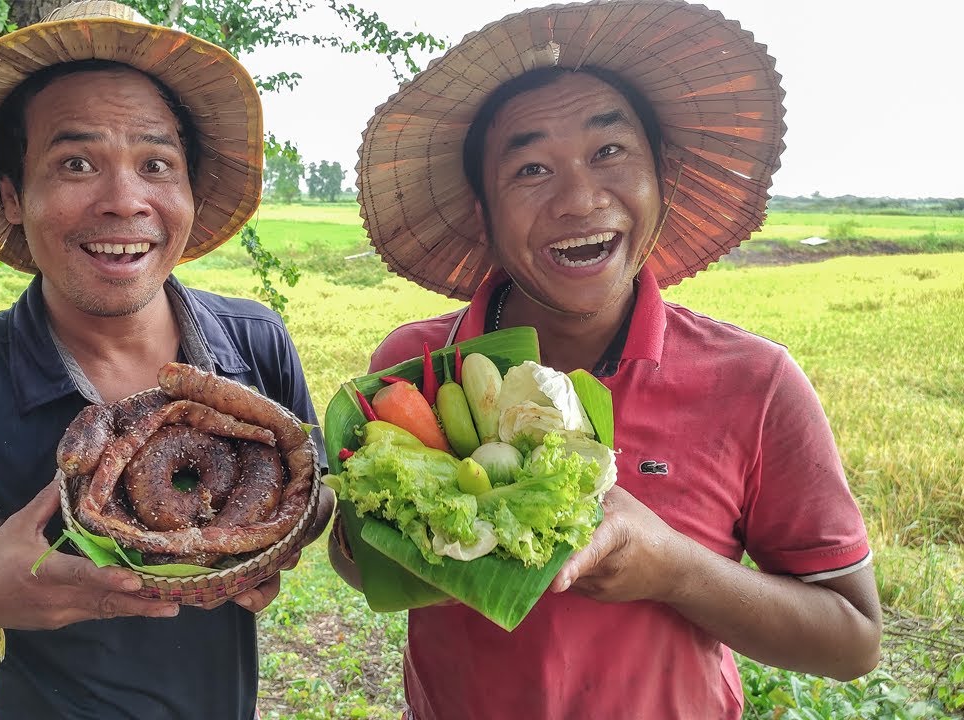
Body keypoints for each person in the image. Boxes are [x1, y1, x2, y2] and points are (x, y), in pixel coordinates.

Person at [331, 1, 881, 717]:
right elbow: (358, 561)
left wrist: (676, 570)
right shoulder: (419, 366)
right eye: (530, 168)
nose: (580, 199)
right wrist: (416, 536)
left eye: (610, 152)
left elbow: (853, 638)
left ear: (665, 179)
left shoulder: (755, 383)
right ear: (483, 215)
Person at [0, 2, 332, 718]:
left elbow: (310, 486)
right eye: (76, 162)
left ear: (189, 191)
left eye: (156, 163)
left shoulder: (255, 343)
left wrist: (283, 538)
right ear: (13, 195)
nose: (124, 200)